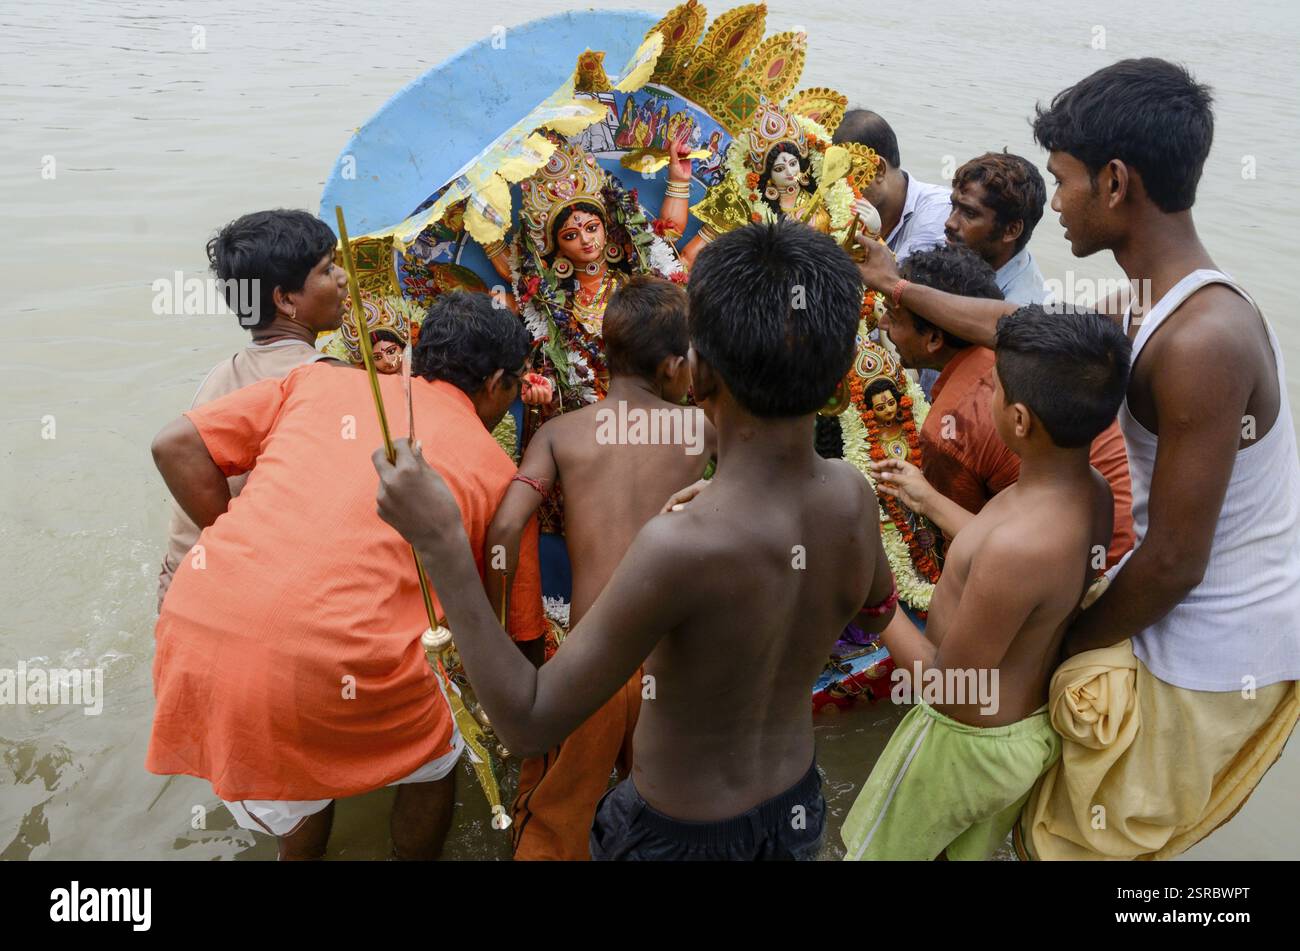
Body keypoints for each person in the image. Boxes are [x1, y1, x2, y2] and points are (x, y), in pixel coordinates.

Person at [855, 58, 1300, 860]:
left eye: (1062, 181)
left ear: (1116, 183)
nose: (1053, 202)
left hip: (1211, 649)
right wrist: (900, 286)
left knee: (1080, 848)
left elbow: (1172, 562)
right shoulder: (1148, 297)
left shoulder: (1204, 340)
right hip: (1164, 609)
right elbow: (1017, 328)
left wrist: (1062, 643)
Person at [373, 221, 897, 861]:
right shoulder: (852, 496)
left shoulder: (676, 545)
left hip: (680, 836)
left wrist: (442, 545)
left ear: (697, 371)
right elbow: (873, 617)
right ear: (843, 378)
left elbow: (527, 719)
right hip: (795, 807)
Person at [147, 291, 545, 860]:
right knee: (439, 754)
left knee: (296, 786)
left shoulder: (318, 380)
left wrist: (237, 541)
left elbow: (175, 444)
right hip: (334, 661)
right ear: (498, 383)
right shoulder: (502, 475)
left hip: (192, 629)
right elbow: (520, 638)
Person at [843, 306, 1130, 860]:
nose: (985, 397)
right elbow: (1016, 566)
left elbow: (946, 689)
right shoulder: (1091, 492)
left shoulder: (1017, 548)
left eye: (992, 389)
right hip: (1020, 735)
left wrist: (873, 597)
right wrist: (927, 498)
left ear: (1019, 421)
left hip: (963, 746)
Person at [485, 276, 715, 860]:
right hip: (672, 665)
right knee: (672, 820)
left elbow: (507, 529)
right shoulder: (702, 430)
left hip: (588, 665)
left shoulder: (563, 433)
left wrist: (504, 643)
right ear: (672, 366)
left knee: (553, 823)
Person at [874, 244, 1133, 567]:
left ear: (935, 339)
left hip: (1089, 575)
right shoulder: (1028, 346)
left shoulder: (949, 425)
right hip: (1123, 536)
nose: (882, 324)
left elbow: (965, 554)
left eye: (894, 317)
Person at [156, 209, 347, 610]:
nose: (344, 279)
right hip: (238, 593)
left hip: (179, 583)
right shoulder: (327, 380)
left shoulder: (218, 375)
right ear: (285, 299)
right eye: (328, 270)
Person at [833, 109, 950, 262]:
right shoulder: (844, 211)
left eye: (843, 179)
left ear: (879, 170)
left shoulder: (937, 213)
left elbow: (898, 282)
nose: (835, 191)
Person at [944, 151, 1048, 305]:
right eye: (953, 206)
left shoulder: (1021, 312)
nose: (950, 222)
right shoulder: (964, 263)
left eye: (970, 213)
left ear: (1011, 230)